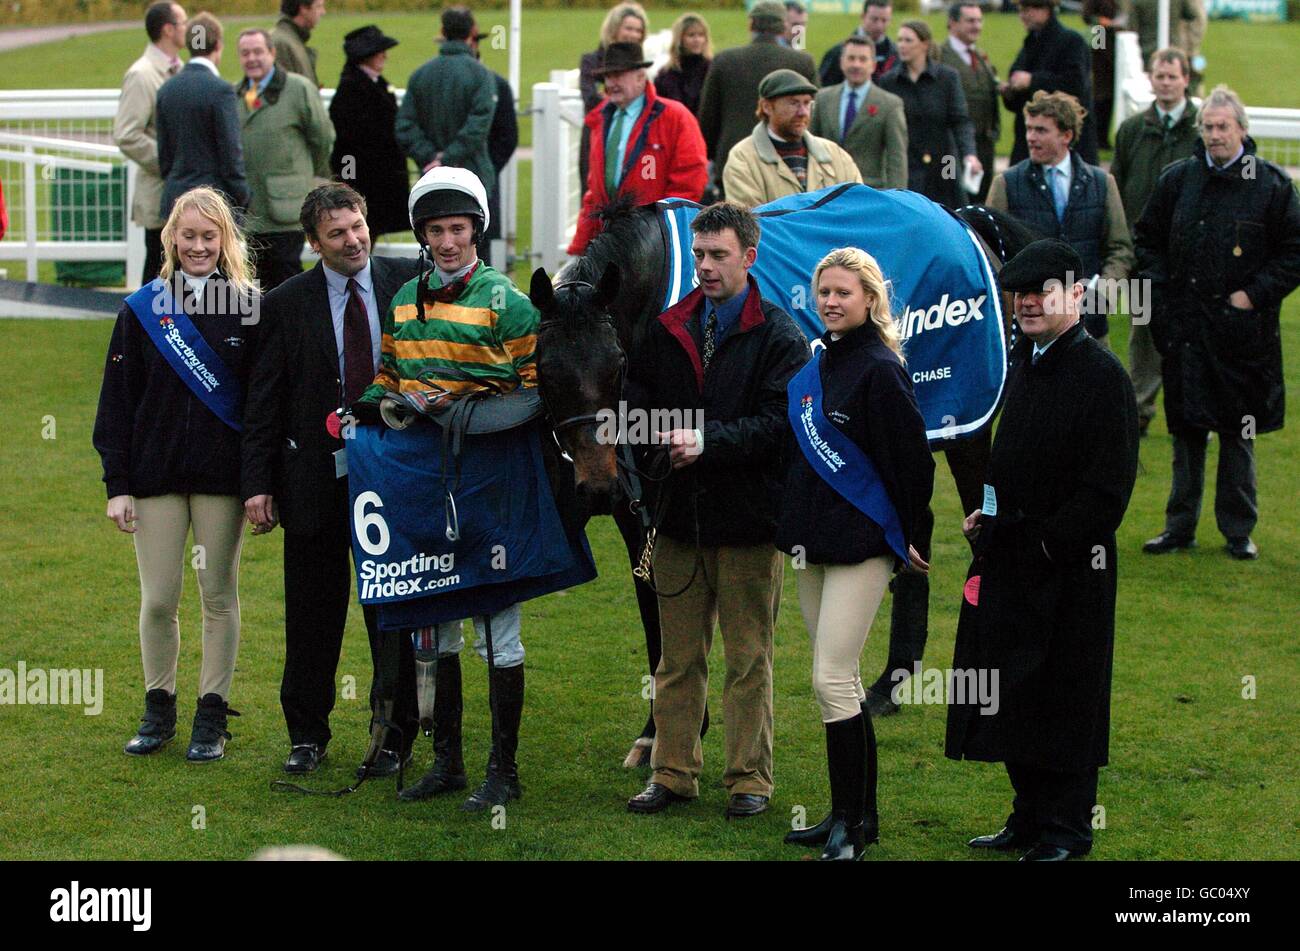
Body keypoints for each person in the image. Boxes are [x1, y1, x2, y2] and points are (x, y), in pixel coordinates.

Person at [353, 167, 543, 811]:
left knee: (498, 631)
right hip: (423, 486)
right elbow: (386, 377)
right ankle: (450, 764)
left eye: (458, 229)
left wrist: (457, 403)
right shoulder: (404, 299)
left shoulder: (507, 303)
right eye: (436, 230)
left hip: (491, 485)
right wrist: (372, 405)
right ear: (423, 235)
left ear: (476, 230)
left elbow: (534, 392)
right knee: (437, 632)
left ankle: (505, 770)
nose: (448, 241)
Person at [945, 238, 1140, 861]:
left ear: (1075, 295)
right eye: (1019, 295)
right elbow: (1012, 458)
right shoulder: (1025, 360)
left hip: (1069, 572)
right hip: (1011, 558)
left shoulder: (1102, 377)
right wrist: (990, 515)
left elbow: (1107, 491)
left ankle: (1067, 830)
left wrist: (1051, 545)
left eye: (1041, 293)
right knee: (1012, 693)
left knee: (1065, 698)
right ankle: (1027, 817)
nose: (1027, 303)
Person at [624, 202, 810, 819]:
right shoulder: (666, 327)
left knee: (748, 660)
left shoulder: (780, 336)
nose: (705, 266)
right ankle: (672, 774)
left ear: (749, 257)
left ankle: (749, 781)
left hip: (749, 526)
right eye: (699, 254)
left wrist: (705, 441)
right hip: (677, 521)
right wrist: (660, 441)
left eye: (718, 255)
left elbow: (781, 427)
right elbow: (637, 407)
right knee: (675, 661)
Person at [241, 183, 421, 775]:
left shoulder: (409, 284)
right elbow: (264, 401)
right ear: (315, 244)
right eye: (338, 234)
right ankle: (306, 733)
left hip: (393, 475)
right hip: (313, 479)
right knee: (313, 610)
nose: (353, 241)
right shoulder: (286, 303)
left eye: (358, 226)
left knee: (391, 608)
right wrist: (257, 484)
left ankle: (393, 732)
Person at [776, 248, 933, 860]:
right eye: (824, 293)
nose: (831, 303)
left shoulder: (879, 369)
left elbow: (913, 465)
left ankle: (851, 826)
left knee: (831, 677)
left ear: (870, 299)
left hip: (863, 547)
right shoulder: (820, 365)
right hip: (815, 543)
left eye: (844, 293)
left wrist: (913, 538)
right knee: (834, 680)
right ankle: (852, 817)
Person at [93, 186, 259, 763]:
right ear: (171, 239)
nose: (197, 246)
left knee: (218, 596)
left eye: (208, 236)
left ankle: (211, 716)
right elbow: (116, 403)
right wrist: (117, 485)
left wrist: (261, 480)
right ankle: (158, 708)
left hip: (222, 479)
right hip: (153, 477)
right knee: (159, 598)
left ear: (224, 240)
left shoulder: (248, 307)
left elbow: (262, 406)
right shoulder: (141, 309)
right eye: (187, 236)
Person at [1136, 86, 1300, 562]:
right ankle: (1178, 526)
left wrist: (1253, 295)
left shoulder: (1270, 185)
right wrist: (1162, 302)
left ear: (1242, 130)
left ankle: (1237, 530)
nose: (1214, 136)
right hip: (1186, 331)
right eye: (1207, 127)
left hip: (1243, 337)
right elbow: (1148, 244)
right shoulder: (1177, 180)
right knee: (1185, 433)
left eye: (1222, 127)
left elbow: (1294, 252)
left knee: (1238, 434)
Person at [987, 90, 1133, 345]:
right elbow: (989, 253)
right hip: (1029, 332)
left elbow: (1119, 248)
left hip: (1090, 328)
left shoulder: (1102, 184)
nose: (1031, 138)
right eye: (1029, 129)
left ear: (1067, 135)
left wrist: (1104, 293)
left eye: (1041, 130)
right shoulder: (1007, 184)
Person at [1110, 48, 1200, 436]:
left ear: (1185, 80)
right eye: (1159, 76)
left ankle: (1197, 410)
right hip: (1144, 255)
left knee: (1194, 333)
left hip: (1191, 254)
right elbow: (1116, 185)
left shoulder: (1201, 130)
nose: (1165, 82)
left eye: (1172, 76)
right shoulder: (1132, 129)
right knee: (1143, 330)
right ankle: (1140, 409)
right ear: (1151, 79)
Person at [568, 41, 707, 256]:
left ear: (641, 77)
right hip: (610, 244)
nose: (611, 82)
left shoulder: (675, 118)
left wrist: (656, 236)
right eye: (608, 76)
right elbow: (595, 194)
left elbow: (688, 185)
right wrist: (580, 248)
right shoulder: (600, 120)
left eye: (618, 75)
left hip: (658, 249)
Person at [236, 28, 334, 292]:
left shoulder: (298, 88)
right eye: (245, 53)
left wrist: (302, 175)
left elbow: (323, 139)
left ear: (272, 53)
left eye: (258, 51)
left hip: (288, 207)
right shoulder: (237, 95)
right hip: (252, 210)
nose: (252, 58)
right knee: (254, 284)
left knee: (286, 280)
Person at [396, 5, 498, 257]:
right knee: (474, 254)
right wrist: (448, 158)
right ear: (472, 32)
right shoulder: (480, 74)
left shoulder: (420, 74)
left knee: (438, 249)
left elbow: (405, 126)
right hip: (473, 174)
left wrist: (432, 159)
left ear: (442, 31)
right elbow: (478, 126)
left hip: (432, 176)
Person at [698, 0, 817, 199]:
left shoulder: (724, 60)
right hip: (789, 163)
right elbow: (812, 113)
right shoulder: (802, 62)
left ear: (751, 24)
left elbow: (708, 118)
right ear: (783, 25)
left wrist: (711, 155)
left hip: (732, 162)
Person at [114, 2, 188, 285]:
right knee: (158, 279)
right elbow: (126, 134)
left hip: (177, 194)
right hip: (159, 198)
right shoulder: (142, 75)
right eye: (183, 23)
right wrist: (171, 163)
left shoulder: (178, 69)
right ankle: (139, 330)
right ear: (168, 30)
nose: (188, 28)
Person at [723, 68, 861, 209]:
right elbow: (749, 222)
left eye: (807, 103)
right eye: (793, 103)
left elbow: (858, 207)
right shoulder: (743, 158)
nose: (803, 112)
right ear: (767, 107)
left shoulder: (836, 155)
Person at [878, 20, 980, 209]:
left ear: (924, 44)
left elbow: (960, 120)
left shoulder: (947, 78)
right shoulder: (889, 81)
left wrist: (969, 155)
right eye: (899, 40)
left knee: (951, 208)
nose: (901, 45)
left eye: (908, 40)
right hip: (909, 162)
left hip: (945, 161)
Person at [156, 12, 249, 219]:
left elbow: (165, 156)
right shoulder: (221, 90)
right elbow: (230, 152)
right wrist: (242, 195)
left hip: (175, 200)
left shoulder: (167, 89)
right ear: (218, 45)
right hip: (213, 202)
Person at [329, 25, 410, 238]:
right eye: (379, 51)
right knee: (362, 234)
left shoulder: (375, 84)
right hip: (367, 183)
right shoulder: (352, 89)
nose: (385, 56)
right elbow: (346, 143)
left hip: (379, 181)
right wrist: (350, 182)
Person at [1001, 0, 1098, 166]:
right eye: (1021, 10)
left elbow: (1075, 85)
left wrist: (1032, 80)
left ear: (1045, 9)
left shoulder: (1071, 42)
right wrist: (1010, 91)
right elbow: (1019, 100)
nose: (1022, 15)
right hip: (1031, 146)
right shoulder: (1031, 42)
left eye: (1027, 9)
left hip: (1067, 145)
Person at [811, 37, 907, 191]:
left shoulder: (890, 104)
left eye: (863, 59)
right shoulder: (822, 98)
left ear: (873, 65)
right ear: (842, 62)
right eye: (851, 58)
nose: (856, 65)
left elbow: (896, 158)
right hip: (826, 189)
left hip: (868, 191)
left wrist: (898, 198)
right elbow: (811, 144)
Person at [579, 4, 648, 194]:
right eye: (629, 28)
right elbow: (591, 98)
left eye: (638, 30)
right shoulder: (592, 61)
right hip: (598, 136)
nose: (634, 34)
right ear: (614, 28)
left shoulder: (640, 62)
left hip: (634, 135)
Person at [938, 2, 998, 203]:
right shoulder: (939, 56)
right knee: (954, 200)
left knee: (982, 200)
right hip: (953, 148)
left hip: (983, 145)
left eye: (979, 20)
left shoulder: (980, 56)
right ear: (953, 23)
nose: (977, 26)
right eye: (970, 21)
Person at [471, 27, 519, 270]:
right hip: (483, 179)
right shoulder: (496, 83)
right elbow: (508, 137)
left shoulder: (424, 77)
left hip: (439, 174)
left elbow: (507, 136)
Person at [819, 0, 897, 88]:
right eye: (874, 19)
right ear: (863, 16)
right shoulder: (837, 53)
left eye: (884, 20)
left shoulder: (896, 54)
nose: (879, 25)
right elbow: (824, 90)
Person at [1130, 0, 1207, 89]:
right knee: (1176, 85)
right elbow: (1191, 14)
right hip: (1173, 49)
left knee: (1147, 88)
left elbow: (1131, 29)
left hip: (1146, 52)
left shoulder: (1137, 2)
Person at [654, 12, 712, 118]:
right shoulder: (666, 75)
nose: (697, 40)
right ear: (679, 39)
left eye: (701, 35)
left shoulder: (712, 70)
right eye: (691, 35)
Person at [1080, 0, 1118, 149]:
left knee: (1108, 93)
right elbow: (1088, 16)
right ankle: (1097, 137)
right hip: (1100, 37)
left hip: (1115, 41)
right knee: (1100, 91)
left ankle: (1102, 137)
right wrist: (1101, 21)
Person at [271, 0, 324, 89]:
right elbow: (283, 94)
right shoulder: (280, 44)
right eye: (319, 6)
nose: (323, 12)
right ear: (303, 9)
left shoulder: (293, 40)